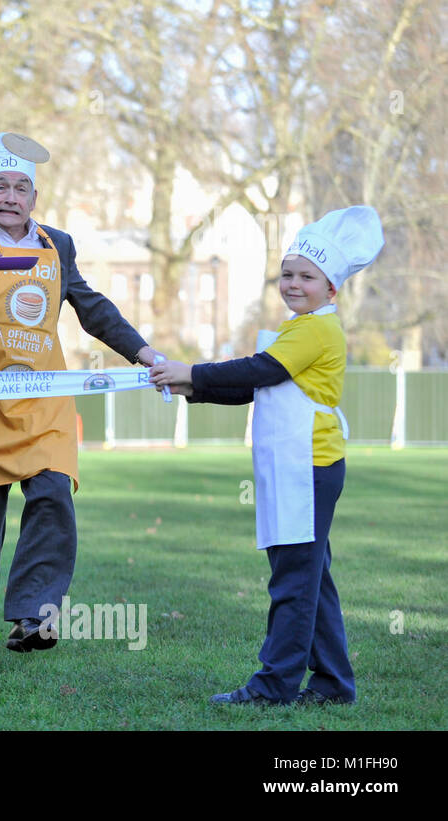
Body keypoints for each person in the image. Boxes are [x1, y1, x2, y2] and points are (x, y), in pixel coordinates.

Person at [0, 133, 161, 653]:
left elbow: (92, 307)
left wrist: (144, 353)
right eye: (0, 187)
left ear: (34, 197)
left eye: (21, 188)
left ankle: (34, 616)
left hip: (44, 396)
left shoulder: (59, 243)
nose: (10, 197)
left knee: (54, 494)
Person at [151, 206, 383, 705]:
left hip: (308, 466)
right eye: (287, 274)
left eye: (307, 276)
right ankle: (334, 685)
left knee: (294, 581)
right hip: (297, 465)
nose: (293, 283)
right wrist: (188, 383)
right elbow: (259, 385)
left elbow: (258, 370)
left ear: (331, 289)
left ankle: (274, 685)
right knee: (312, 578)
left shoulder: (314, 329)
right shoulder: (300, 327)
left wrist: (189, 370)